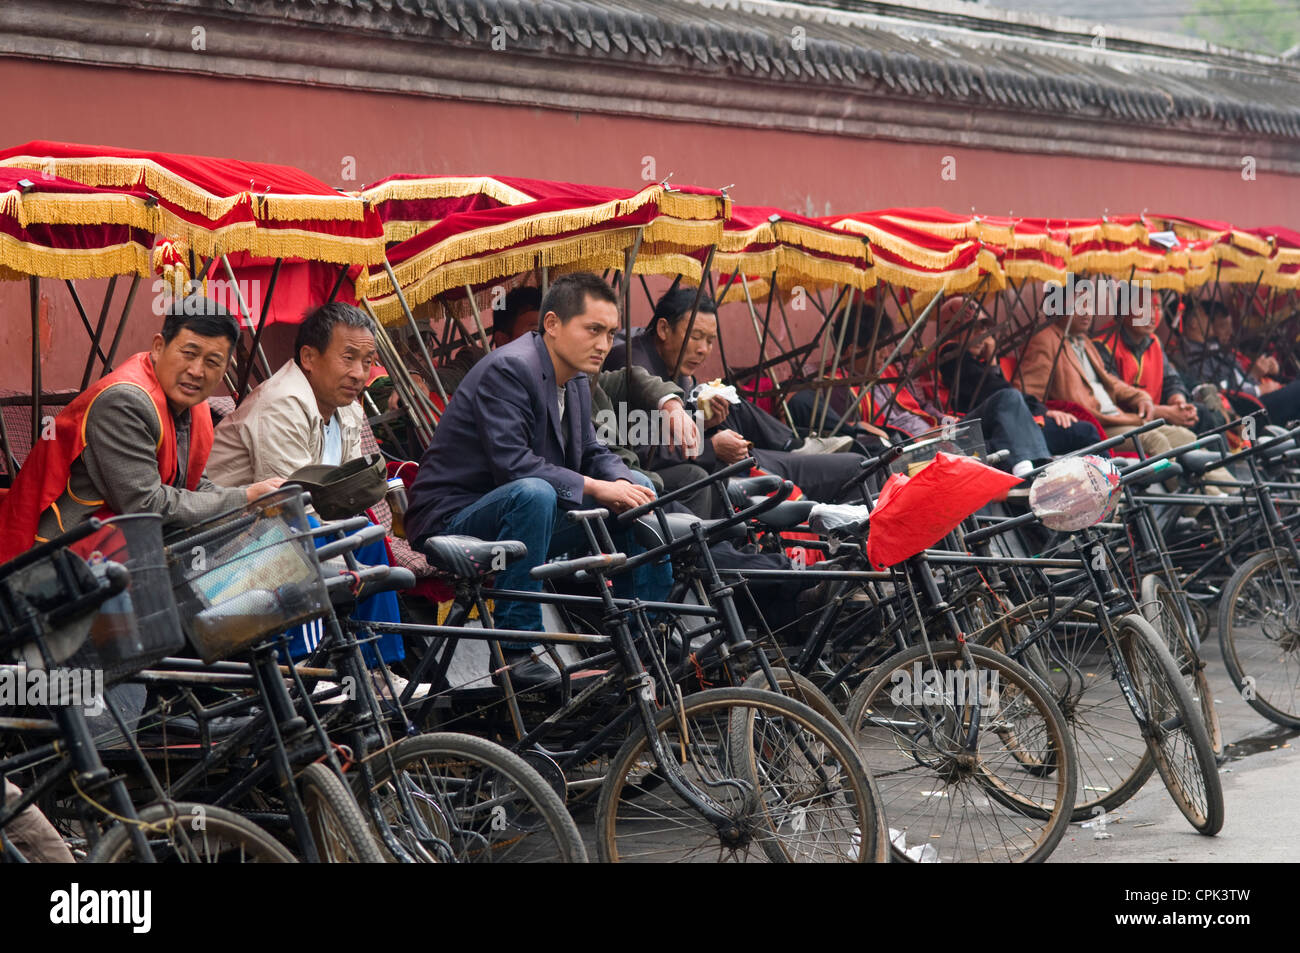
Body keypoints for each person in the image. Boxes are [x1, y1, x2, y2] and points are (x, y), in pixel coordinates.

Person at [404, 273, 669, 686]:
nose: (604, 344)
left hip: (523, 516)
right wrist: (598, 488)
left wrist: (623, 484)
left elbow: (593, 450)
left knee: (638, 488)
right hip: (454, 520)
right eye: (593, 330)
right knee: (535, 492)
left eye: (610, 333)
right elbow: (514, 466)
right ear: (552, 324)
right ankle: (515, 651)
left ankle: (643, 638)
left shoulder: (575, 378)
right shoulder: (510, 368)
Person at [0, 298, 281, 562]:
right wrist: (244, 498)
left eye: (212, 362)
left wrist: (252, 500)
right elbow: (146, 504)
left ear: (224, 369)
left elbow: (194, 485)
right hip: (60, 559)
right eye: (189, 354)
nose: (197, 371)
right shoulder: (125, 402)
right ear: (158, 347)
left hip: (126, 550)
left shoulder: (191, 405)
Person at [206, 302, 404, 668]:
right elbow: (289, 507)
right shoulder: (281, 403)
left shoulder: (347, 408)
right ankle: (305, 669)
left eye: (367, 361)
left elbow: (347, 497)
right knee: (306, 531)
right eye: (348, 358)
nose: (359, 374)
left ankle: (377, 667)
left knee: (368, 534)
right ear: (309, 357)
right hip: (226, 554)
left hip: (289, 533)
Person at [607, 288, 863, 503]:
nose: (703, 349)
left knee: (858, 464)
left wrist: (704, 422)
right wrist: (711, 447)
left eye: (710, 341)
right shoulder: (631, 365)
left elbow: (667, 431)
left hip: (721, 454)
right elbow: (640, 447)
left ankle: (793, 447)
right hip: (663, 474)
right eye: (695, 337)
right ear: (664, 329)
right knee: (854, 467)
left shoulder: (675, 366)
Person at [1019, 298, 1198, 461]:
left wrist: (1139, 397)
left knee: (1185, 437)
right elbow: (1028, 393)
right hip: (1096, 422)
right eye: (1079, 305)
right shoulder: (1045, 340)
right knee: (1156, 440)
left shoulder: (1082, 340)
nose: (1087, 312)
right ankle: (1179, 484)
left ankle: (1207, 484)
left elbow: (1109, 381)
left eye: (1089, 304)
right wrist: (1047, 411)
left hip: (1117, 416)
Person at [1093, 298, 1226, 435]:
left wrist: (1178, 402)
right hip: (1129, 421)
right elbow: (1112, 396)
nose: (1152, 315)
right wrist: (1166, 412)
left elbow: (1171, 380)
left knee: (1206, 413)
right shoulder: (1104, 345)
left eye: (1157, 307)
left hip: (1158, 413)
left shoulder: (1154, 341)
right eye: (1143, 306)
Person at [1178, 300, 1300, 427]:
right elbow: (1219, 389)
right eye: (1205, 315)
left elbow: (1240, 375)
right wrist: (1257, 390)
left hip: (1259, 393)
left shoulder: (1215, 345)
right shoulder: (1194, 356)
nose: (1210, 318)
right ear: (1193, 323)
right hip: (1247, 407)